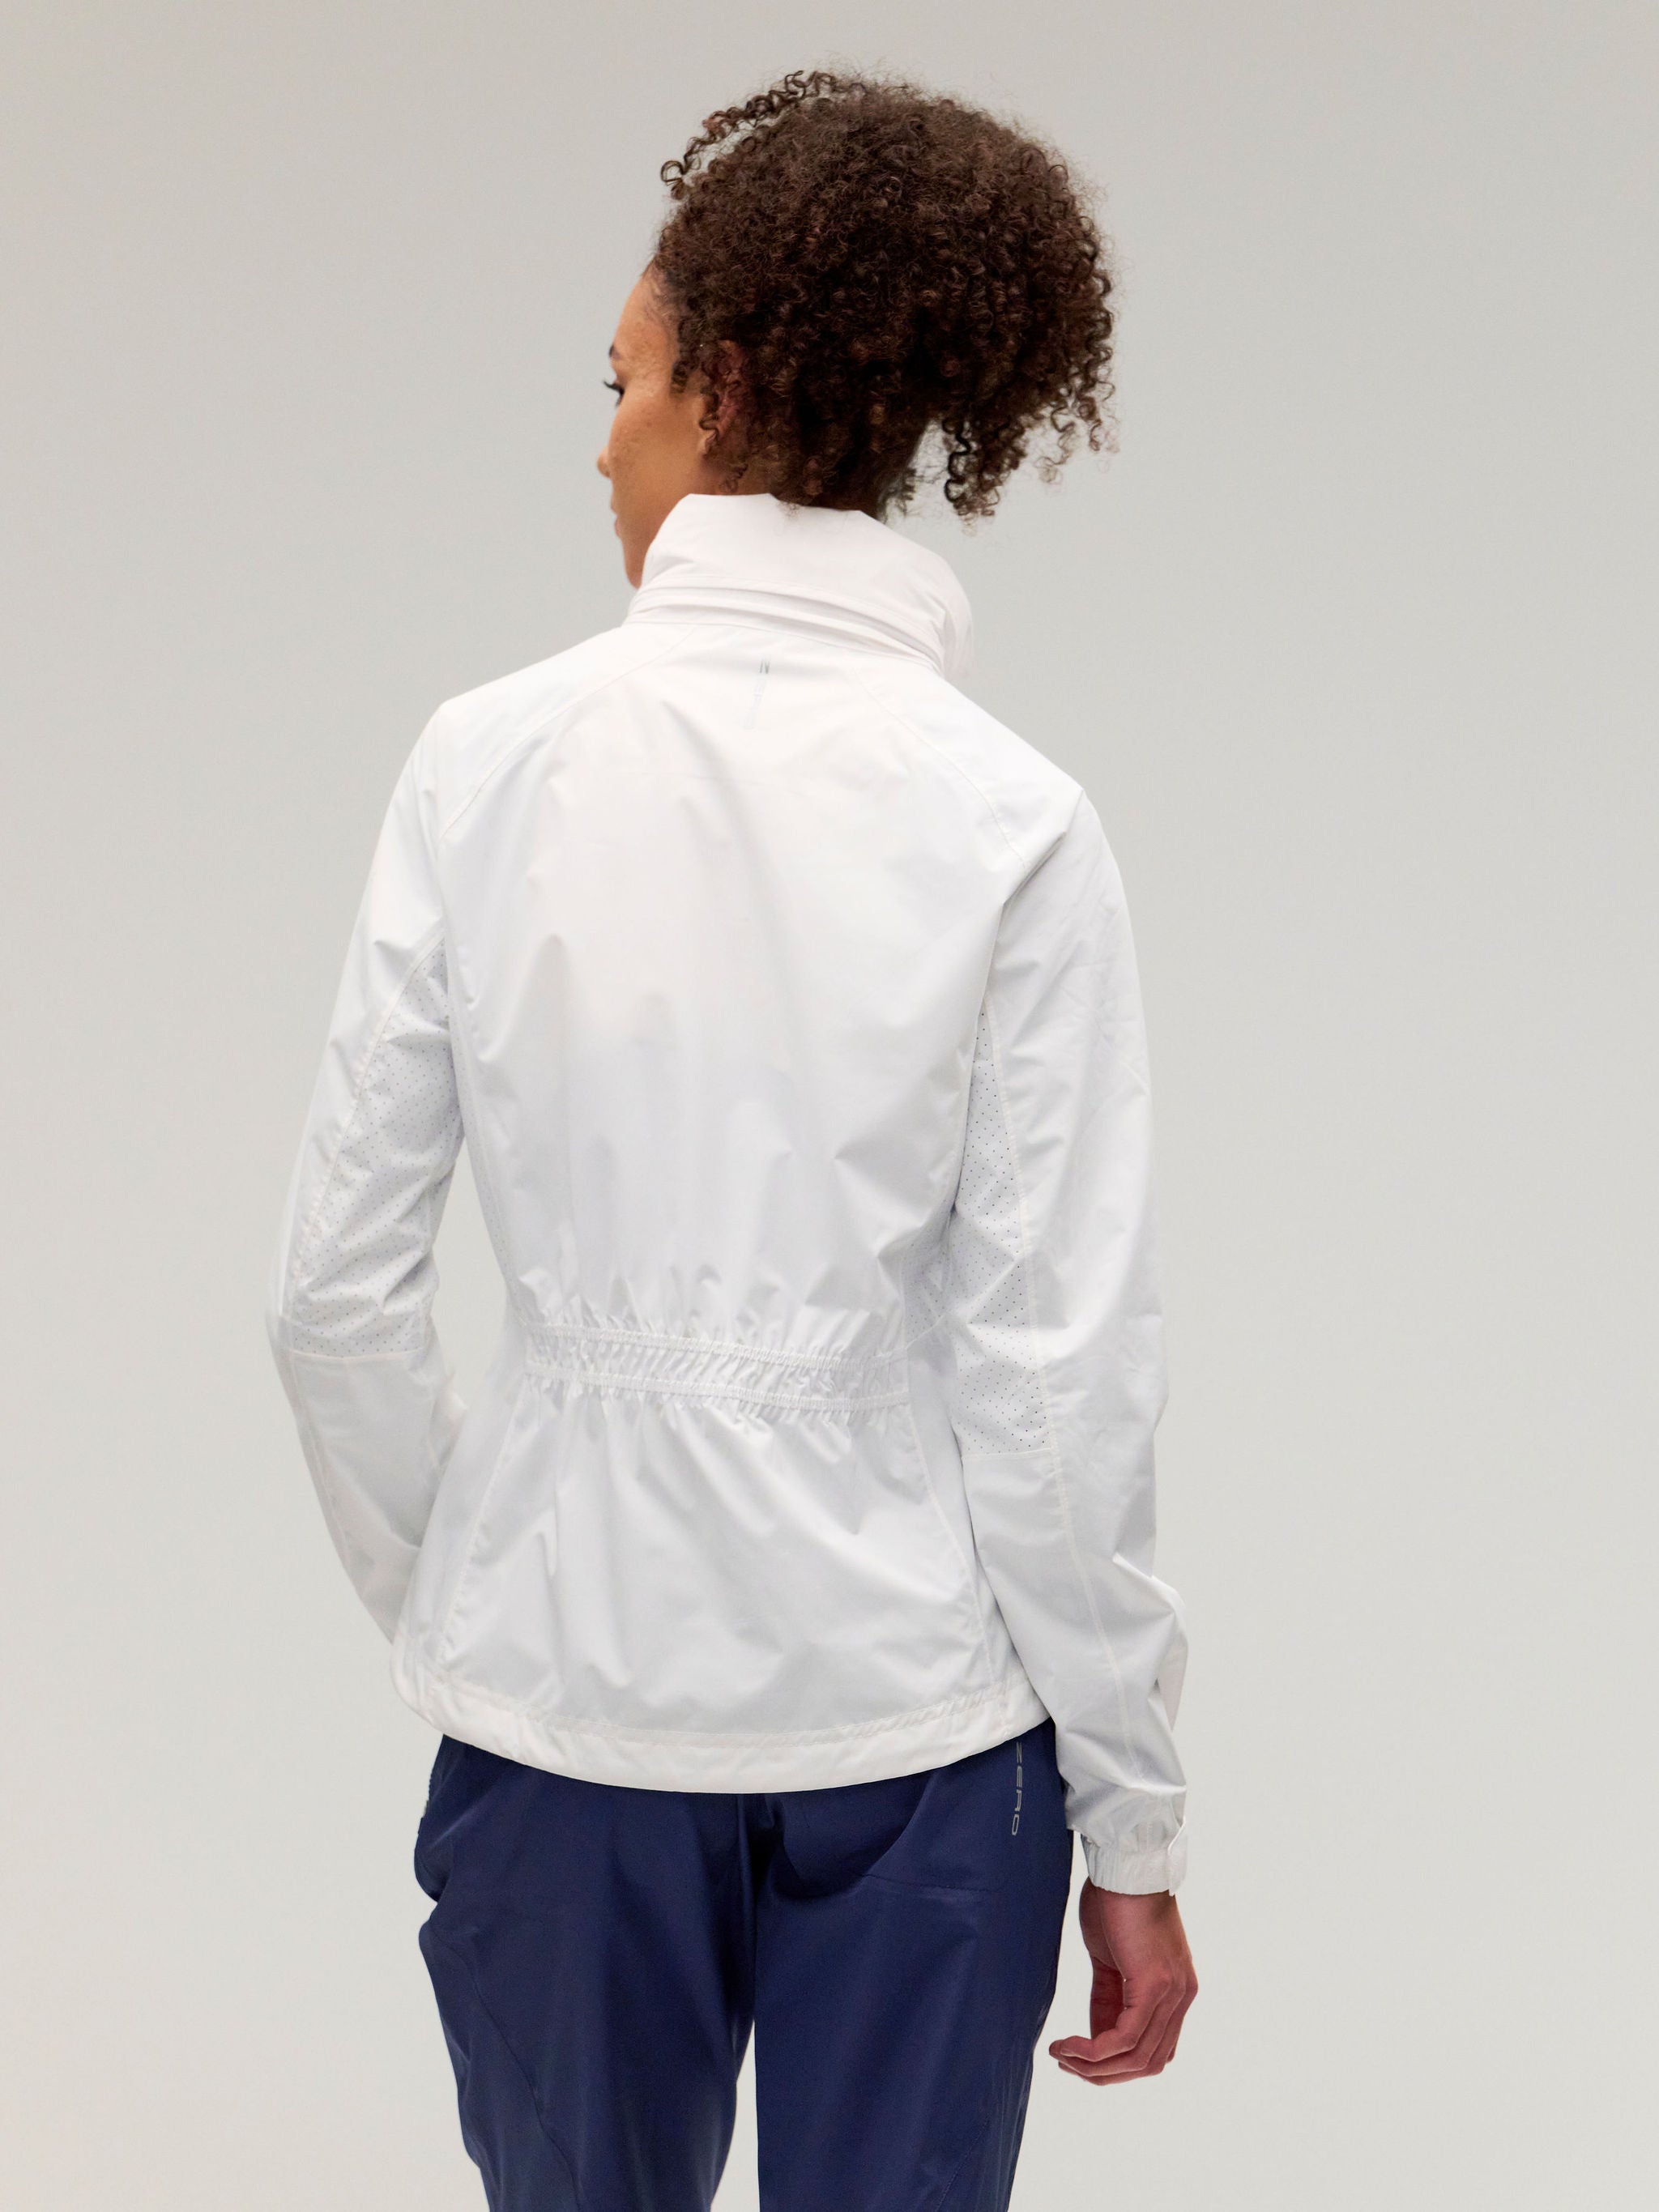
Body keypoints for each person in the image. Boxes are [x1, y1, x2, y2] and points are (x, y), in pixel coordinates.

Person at [266, 66, 1196, 2212]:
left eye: (623, 381)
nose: (600, 438)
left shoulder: (485, 765)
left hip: (564, 1726)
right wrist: (1135, 1821)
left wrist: (494, 1591)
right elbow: (1060, 1384)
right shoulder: (1013, 820)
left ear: (733, 385)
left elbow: (332, 1298)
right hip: (926, 1733)